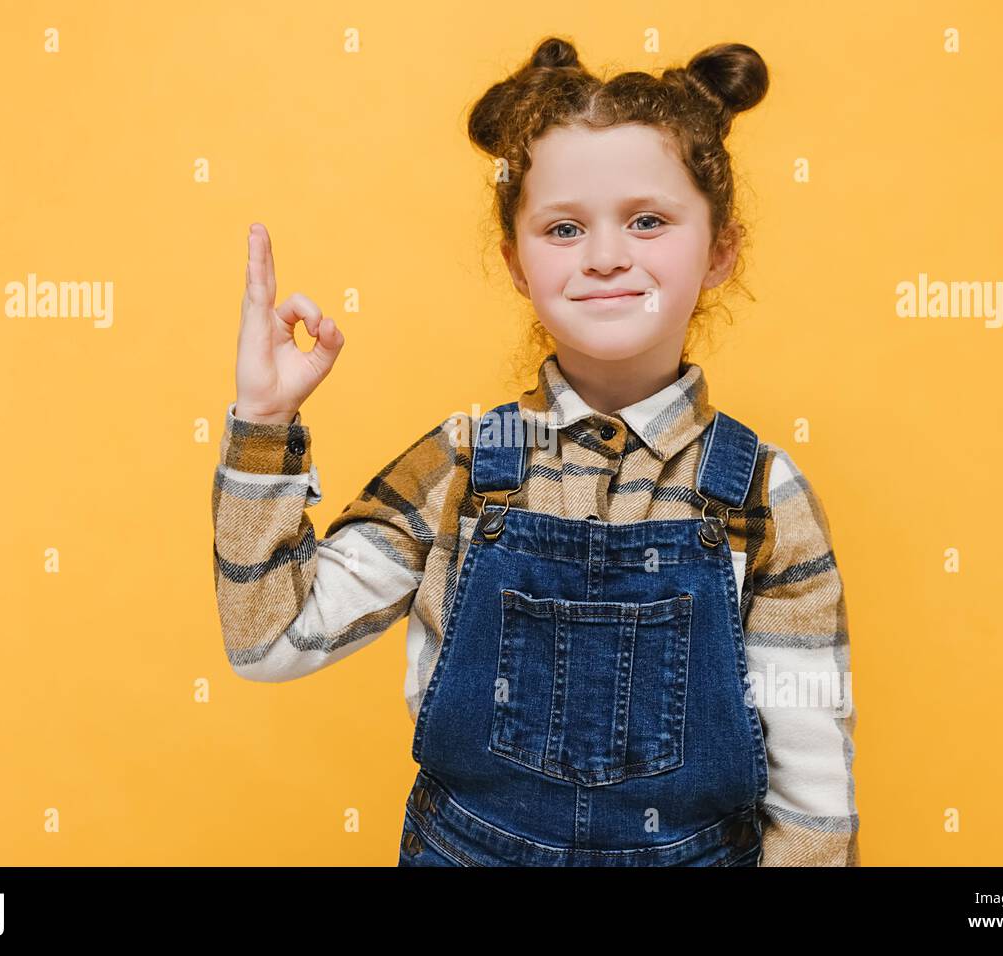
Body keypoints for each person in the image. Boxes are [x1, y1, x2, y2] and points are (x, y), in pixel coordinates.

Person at [212, 36, 858, 866]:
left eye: (648, 220)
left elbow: (812, 790)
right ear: (517, 262)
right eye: (563, 227)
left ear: (721, 250)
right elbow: (270, 642)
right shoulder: (464, 462)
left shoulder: (766, 492)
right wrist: (264, 423)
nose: (604, 256)